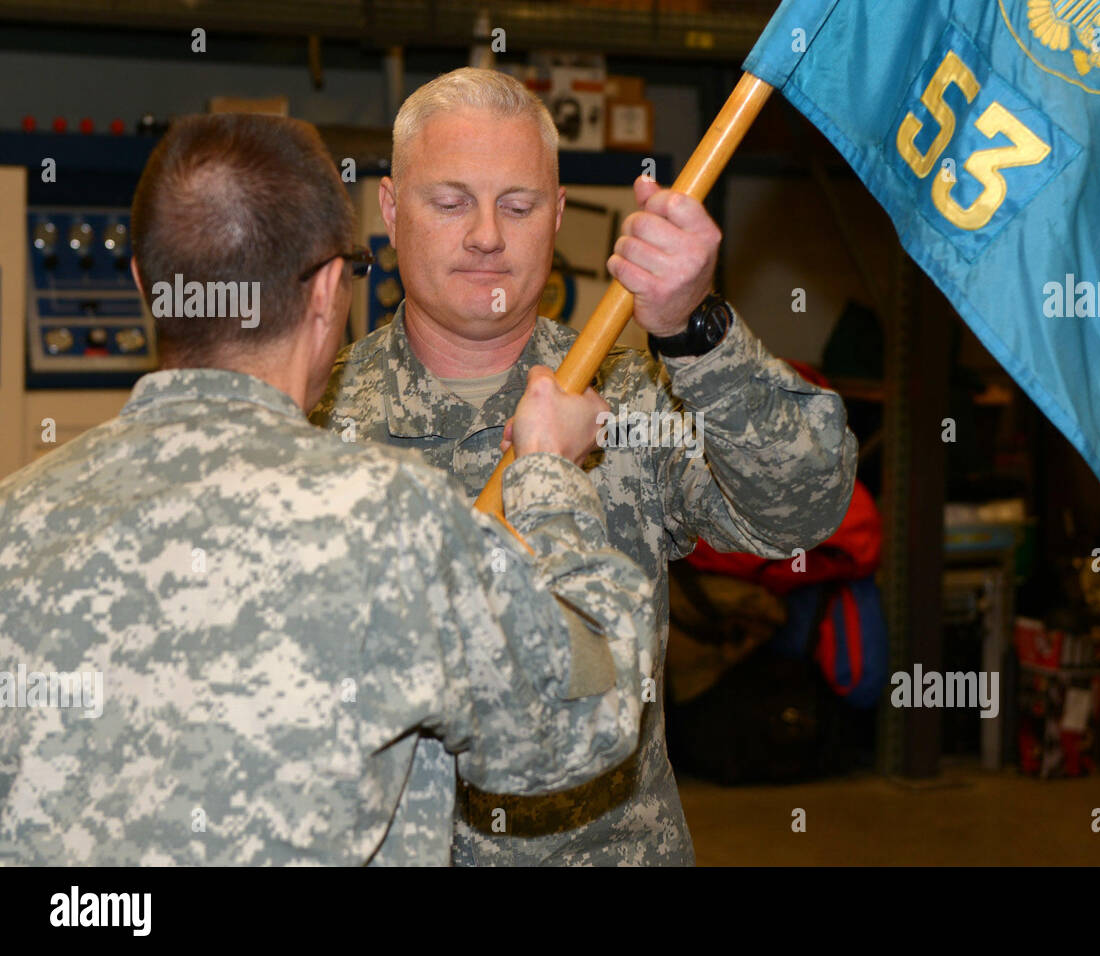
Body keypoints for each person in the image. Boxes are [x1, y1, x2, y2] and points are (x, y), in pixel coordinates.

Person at [0, 113, 655, 866]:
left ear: (146, 284)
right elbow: (589, 711)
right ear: (326, 292)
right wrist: (547, 474)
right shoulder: (394, 522)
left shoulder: (15, 520)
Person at [312, 68, 858, 865]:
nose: (487, 235)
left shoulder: (631, 395)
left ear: (559, 216)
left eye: (519, 205)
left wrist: (695, 333)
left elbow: (804, 509)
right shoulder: (316, 415)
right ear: (390, 210)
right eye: (451, 200)